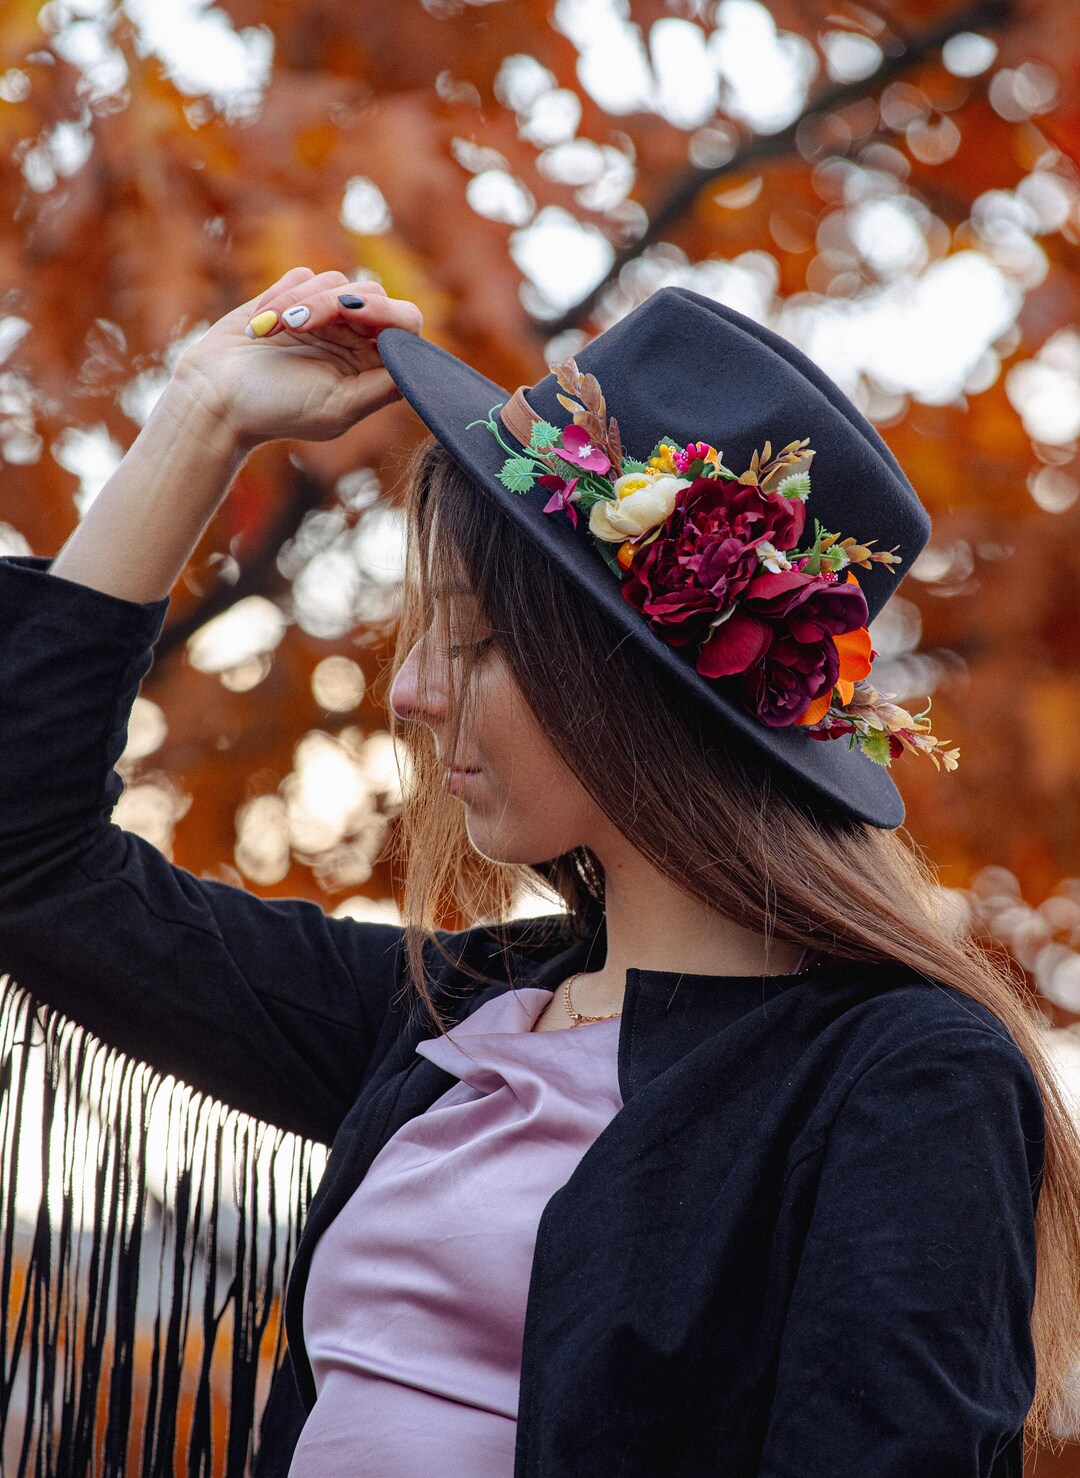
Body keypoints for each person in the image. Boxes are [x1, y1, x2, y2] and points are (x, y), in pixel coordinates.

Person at [1, 265, 1078, 1478]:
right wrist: (200, 415)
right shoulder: (444, 1013)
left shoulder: (902, 1078)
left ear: (633, 684)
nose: (411, 692)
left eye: (473, 640)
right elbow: (27, 862)